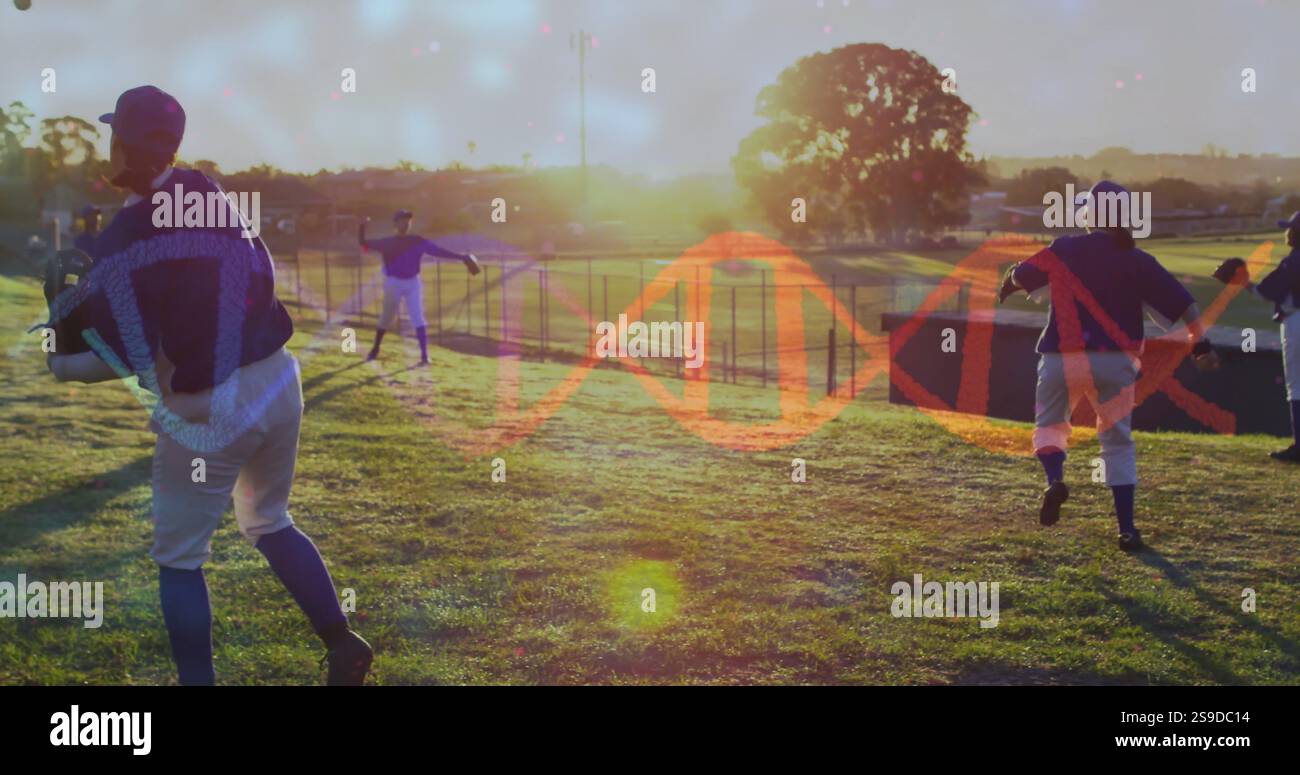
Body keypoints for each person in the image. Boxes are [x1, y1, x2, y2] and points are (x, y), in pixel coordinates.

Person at [44, 85, 371, 685]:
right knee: (269, 521)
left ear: (126, 141)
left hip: (211, 407)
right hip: (279, 382)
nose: (108, 145)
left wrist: (60, 359)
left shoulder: (128, 231)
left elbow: (120, 357)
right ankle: (341, 642)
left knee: (178, 561)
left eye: (114, 134)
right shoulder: (206, 190)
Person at [1000, 180, 1214, 552]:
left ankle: (1054, 481)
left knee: (1050, 425)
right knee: (1117, 442)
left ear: (1090, 214)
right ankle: (1127, 529)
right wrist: (1202, 345)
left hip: (1061, 358)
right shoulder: (1137, 259)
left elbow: (1022, 276)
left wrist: (1010, 280)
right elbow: (1184, 304)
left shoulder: (1065, 247)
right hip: (1116, 360)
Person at [1212, 210, 1300, 462]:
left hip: (1296, 324)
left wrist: (1241, 281)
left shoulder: (1293, 261)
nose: (1288, 233)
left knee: (1297, 386)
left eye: (1292, 229)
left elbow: (1266, 292)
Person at [359, 209, 480, 364]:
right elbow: (363, 245)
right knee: (386, 318)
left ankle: (424, 355)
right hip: (393, 283)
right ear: (395, 223)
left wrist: (461, 257)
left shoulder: (417, 241)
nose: (406, 223)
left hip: (412, 282)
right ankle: (375, 348)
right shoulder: (387, 242)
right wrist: (362, 227)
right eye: (402, 220)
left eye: (408, 220)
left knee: (418, 316)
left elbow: (437, 251)